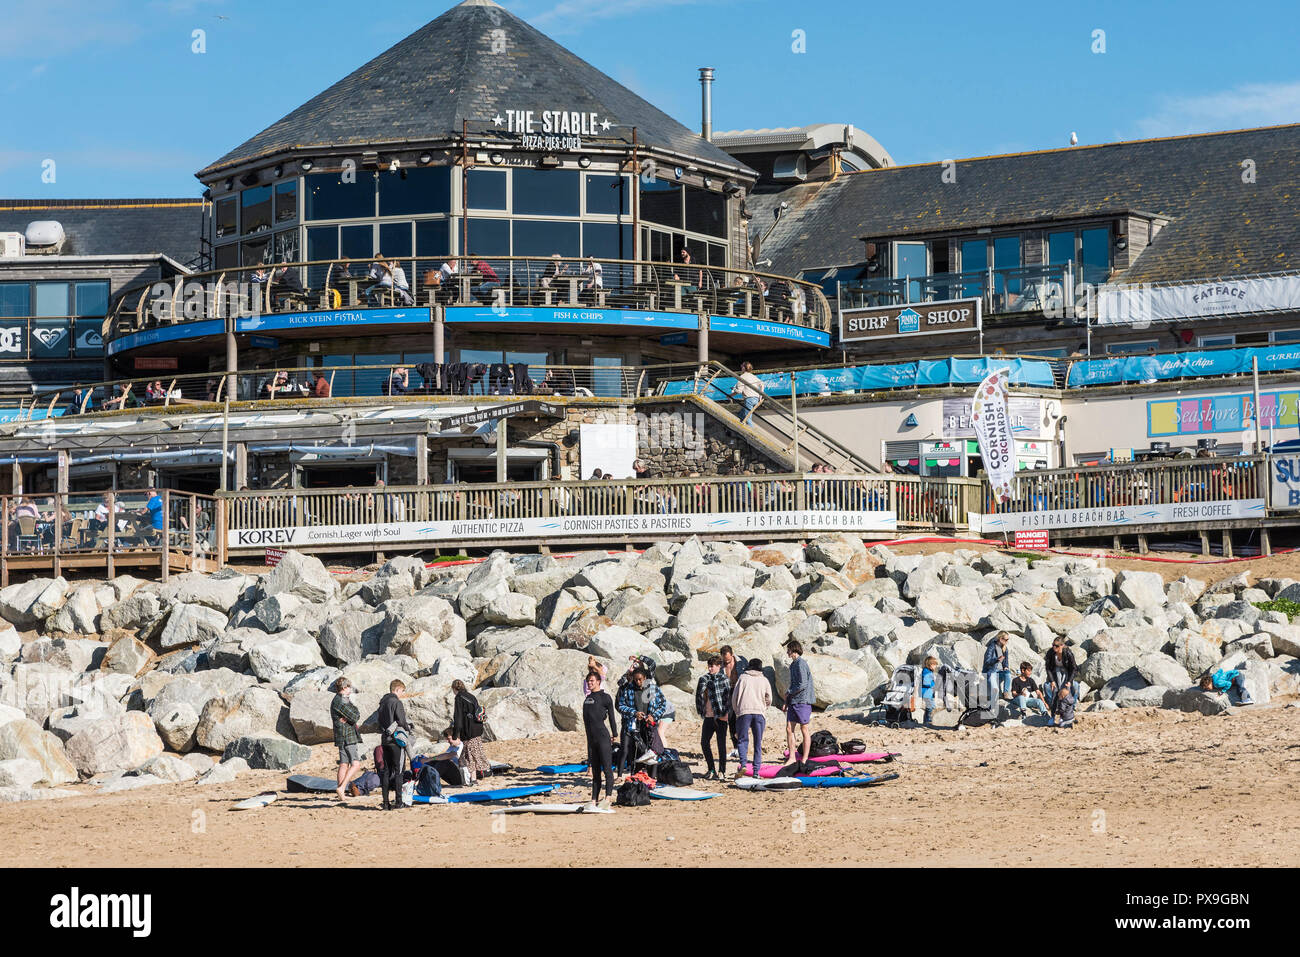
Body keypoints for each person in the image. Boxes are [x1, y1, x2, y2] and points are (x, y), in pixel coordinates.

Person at [615, 666, 666, 770]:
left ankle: (652, 778)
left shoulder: (653, 689)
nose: (638, 682)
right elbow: (621, 706)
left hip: (649, 725)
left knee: (652, 752)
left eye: (640, 679)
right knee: (636, 753)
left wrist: (653, 716)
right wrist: (634, 713)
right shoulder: (628, 689)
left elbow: (663, 704)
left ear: (645, 678)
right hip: (634, 726)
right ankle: (636, 777)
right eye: (636, 679)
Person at [581, 669, 618, 808]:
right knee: (595, 772)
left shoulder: (605, 698)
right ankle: (593, 800)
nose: (589, 683)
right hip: (591, 740)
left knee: (607, 769)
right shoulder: (586, 700)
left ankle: (608, 798)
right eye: (588, 681)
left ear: (598, 682)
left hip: (603, 737)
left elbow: (612, 718)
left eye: (592, 681)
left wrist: (614, 734)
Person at [376, 679, 412, 810]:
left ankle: (385, 803)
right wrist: (408, 728)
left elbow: (379, 722)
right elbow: (401, 720)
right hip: (396, 740)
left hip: (385, 740)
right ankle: (398, 802)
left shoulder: (382, 703)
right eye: (402, 691)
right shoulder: (397, 702)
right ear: (397, 689)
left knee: (386, 771)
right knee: (399, 771)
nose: (402, 694)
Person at [732, 658, 771, 778]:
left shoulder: (742, 678)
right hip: (759, 713)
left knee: (742, 740)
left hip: (744, 712)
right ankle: (756, 771)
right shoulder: (764, 680)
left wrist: (737, 711)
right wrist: (764, 707)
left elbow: (734, 697)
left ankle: (743, 764)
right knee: (757, 743)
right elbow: (769, 698)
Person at [695, 655, 731, 780]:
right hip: (708, 716)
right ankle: (711, 769)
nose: (710, 669)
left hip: (721, 716)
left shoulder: (724, 679)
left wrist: (725, 714)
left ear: (718, 666)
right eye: (709, 666)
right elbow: (699, 695)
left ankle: (722, 771)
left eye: (712, 666)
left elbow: (727, 698)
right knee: (704, 743)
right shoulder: (704, 679)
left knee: (721, 744)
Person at [450, 679, 491, 782]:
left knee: (469, 756)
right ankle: (475, 778)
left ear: (454, 689)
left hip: (468, 732)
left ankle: (474, 779)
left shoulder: (459, 698)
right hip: (477, 729)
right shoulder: (471, 696)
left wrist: (455, 736)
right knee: (475, 754)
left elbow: (458, 719)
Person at [330, 677, 364, 801]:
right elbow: (355, 716)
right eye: (348, 687)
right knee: (356, 764)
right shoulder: (341, 701)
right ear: (344, 688)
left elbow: (354, 713)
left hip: (341, 735)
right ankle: (342, 787)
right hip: (347, 736)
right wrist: (350, 717)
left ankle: (341, 793)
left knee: (344, 764)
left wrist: (350, 716)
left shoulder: (341, 699)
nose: (350, 689)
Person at [783, 639, 815, 764]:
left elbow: (802, 684)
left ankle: (805, 758)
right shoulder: (793, 664)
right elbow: (794, 684)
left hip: (803, 701)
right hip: (794, 701)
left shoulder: (801, 664)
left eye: (788, 650)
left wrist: (789, 692)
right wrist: (787, 700)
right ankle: (792, 757)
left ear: (793, 650)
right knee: (789, 729)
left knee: (804, 729)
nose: (787, 653)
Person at [720, 644, 748, 758]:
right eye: (724, 661)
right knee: (730, 719)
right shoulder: (720, 665)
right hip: (728, 692)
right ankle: (736, 747)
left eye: (728, 660)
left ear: (732, 654)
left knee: (743, 718)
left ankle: (743, 746)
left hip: (740, 691)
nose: (726, 663)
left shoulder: (742, 661)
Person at [1043, 638, 1078, 709]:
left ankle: (1072, 705)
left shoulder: (1068, 653)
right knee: (1046, 686)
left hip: (1067, 675)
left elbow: (1074, 668)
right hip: (1055, 674)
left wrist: (1069, 681)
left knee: (1076, 686)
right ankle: (1052, 705)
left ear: (1062, 645)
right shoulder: (1050, 652)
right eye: (1053, 645)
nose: (1054, 647)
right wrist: (1052, 681)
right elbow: (1048, 668)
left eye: (1056, 646)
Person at [730, 361, 766, 425]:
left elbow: (739, 391)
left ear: (744, 368)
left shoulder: (742, 376)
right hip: (756, 399)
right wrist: (761, 395)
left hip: (749, 399)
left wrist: (730, 395)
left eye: (742, 366)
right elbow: (762, 384)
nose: (741, 367)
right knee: (740, 415)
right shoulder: (753, 376)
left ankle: (751, 433)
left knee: (748, 419)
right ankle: (740, 428)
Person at [982, 631, 1013, 704]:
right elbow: (987, 661)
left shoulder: (1005, 649)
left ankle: (1005, 693)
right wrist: (996, 659)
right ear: (1000, 638)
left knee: (1008, 673)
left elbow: (1006, 661)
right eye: (1006, 639)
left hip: (1000, 672)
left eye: (1008, 639)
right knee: (995, 692)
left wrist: (1005, 666)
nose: (1007, 641)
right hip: (991, 671)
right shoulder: (992, 647)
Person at [919, 655, 941, 726]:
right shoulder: (926, 671)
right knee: (930, 707)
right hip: (926, 692)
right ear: (930, 665)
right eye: (934, 665)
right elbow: (926, 682)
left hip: (929, 692)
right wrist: (933, 685)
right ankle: (928, 721)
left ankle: (926, 721)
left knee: (930, 707)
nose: (935, 666)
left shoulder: (928, 671)